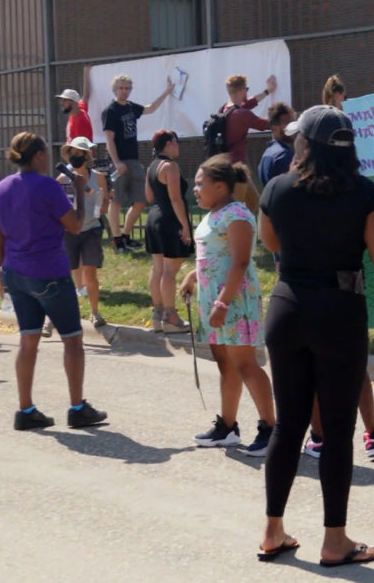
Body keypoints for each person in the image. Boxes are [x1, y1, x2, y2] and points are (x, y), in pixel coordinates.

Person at [258, 105, 374, 567]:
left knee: (288, 424)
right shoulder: (364, 193)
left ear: (307, 144)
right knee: (337, 430)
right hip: (339, 310)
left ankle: (272, 531)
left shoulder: (278, 188)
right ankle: (334, 541)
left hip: (288, 305)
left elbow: (273, 243)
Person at [0, 132, 108, 431]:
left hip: (15, 272)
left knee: (28, 341)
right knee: (72, 339)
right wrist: (80, 191)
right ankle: (77, 408)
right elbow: (76, 225)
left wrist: (0, 277)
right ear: (39, 156)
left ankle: (25, 409)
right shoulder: (48, 187)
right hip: (50, 270)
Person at [180, 155, 275, 455]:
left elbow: (241, 260)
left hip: (233, 303)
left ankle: (271, 428)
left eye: (200, 184)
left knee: (246, 364)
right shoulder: (212, 215)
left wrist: (222, 302)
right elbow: (214, 256)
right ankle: (228, 427)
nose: (195, 189)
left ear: (220, 186)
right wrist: (193, 274)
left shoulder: (237, 214)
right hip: (214, 302)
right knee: (226, 365)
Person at [103, 73, 173, 254]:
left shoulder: (132, 108)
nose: (124, 91)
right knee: (116, 201)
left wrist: (167, 92)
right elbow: (109, 139)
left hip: (133, 160)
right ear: (114, 89)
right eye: (121, 88)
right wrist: (116, 161)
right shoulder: (110, 111)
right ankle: (117, 241)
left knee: (141, 200)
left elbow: (150, 108)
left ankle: (126, 236)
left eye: (127, 88)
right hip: (118, 161)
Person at [56, 136, 109, 329]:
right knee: (66, 274)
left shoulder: (98, 176)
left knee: (90, 271)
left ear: (87, 155)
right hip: (70, 230)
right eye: (73, 153)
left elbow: (104, 198)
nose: (76, 156)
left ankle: (95, 313)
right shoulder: (62, 178)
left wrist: (102, 205)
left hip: (92, 229)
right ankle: (59, 315)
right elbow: (55, 204)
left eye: (80, 153)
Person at [145, 130, 194, 334]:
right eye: (176, 142)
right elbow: (176, 199)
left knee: (157, 268)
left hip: (153, 217)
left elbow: (148, 196)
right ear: (168, 144)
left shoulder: (152, 167)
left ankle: (157, 314)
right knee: (169, 271)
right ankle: (171, 316)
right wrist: (185, 226)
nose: (178, 145)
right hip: (169, 219)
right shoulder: (170, 167)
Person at [219, 74, 275, 164]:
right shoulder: (242, 114)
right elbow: (267, 124)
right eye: (246, 89)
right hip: (235, 165)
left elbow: (250, 102)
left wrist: (267, 91)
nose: (247, 92)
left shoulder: (225, 109)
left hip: (222, 162)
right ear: (241, 91)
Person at [257, 104, 297, 188]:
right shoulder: (283, 155)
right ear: (274, 128)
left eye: (293, 123)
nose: (292, 127)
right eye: (288, 123)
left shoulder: (266, 154)